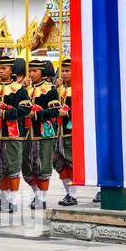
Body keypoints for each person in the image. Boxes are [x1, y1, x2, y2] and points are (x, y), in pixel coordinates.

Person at [22, 58, 62, 211]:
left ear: (42, 73)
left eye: (35, 71)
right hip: (26, 133)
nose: (31, 74)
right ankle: (37, 193)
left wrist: (37, 115)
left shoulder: (50, 90)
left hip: (43, 133)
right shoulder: (25, 90)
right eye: (30, 71)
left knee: (42, 165)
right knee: (25, 165)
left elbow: (54, 111)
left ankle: (42, 198)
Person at [0, 53, 28, 214]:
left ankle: (13, 200)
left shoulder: (20, 89)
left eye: (4, 68)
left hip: (12, 134)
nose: (0, 71)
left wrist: (5, 114)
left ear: (11, 70)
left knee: (12, 167)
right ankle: (4, 198)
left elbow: (25, 109)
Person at [53, 59, 80, 206]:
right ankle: (68, 193)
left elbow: (83, 109)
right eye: (63, 70)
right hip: (58, 131)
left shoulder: (79, 88)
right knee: (59, 163)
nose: (64, 73)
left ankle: (73, 195)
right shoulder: (59, 89)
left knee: (71, 163)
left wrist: (68, 113)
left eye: (68, 70)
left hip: (71, 131)